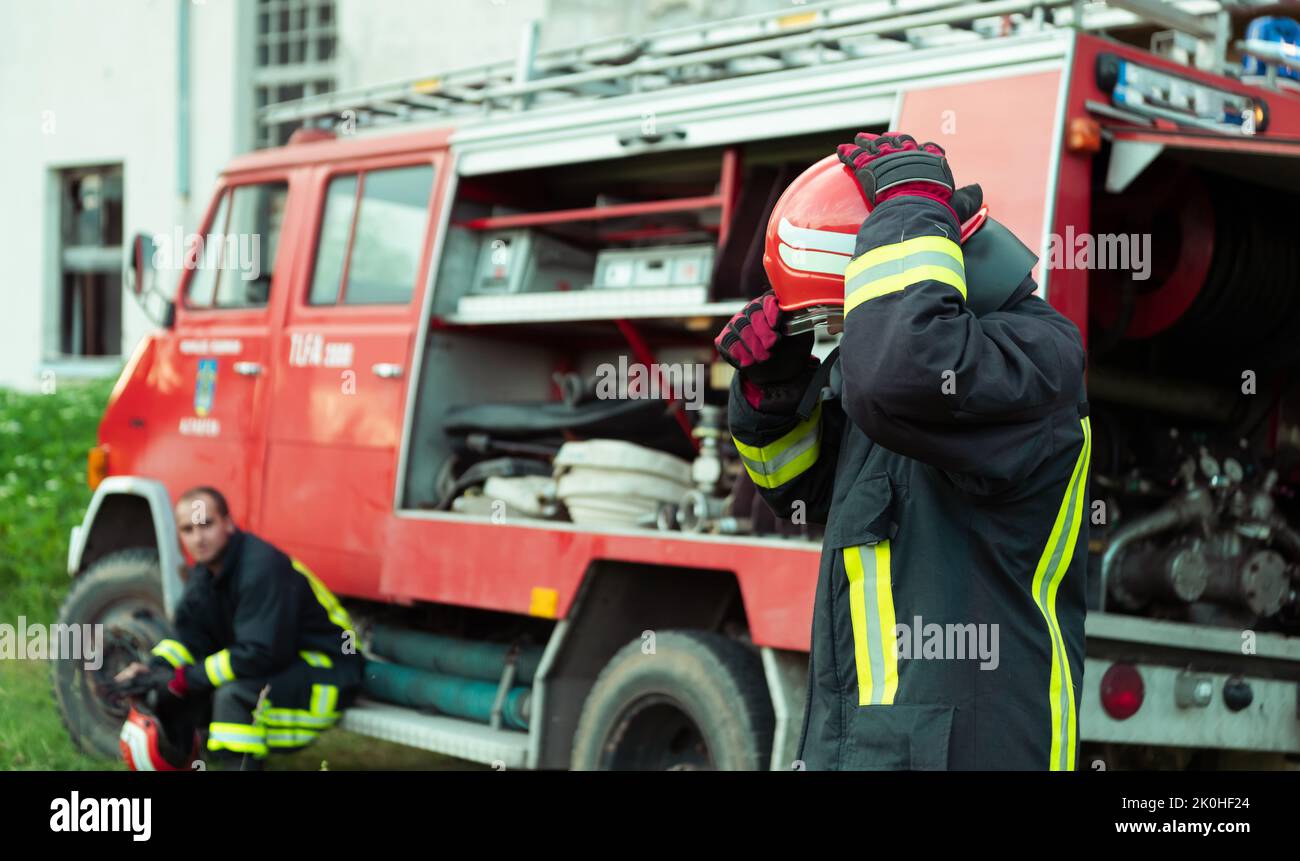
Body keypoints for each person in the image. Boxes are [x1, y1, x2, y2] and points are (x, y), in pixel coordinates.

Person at [716, 133, 1090, 770]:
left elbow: (905, 370)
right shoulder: (895, 392)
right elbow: (797, 492)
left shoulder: (1032, 356)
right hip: (869, 742)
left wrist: (910, 205)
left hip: (974, 747)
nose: (840, 337)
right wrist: (776, 389)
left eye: (838, 317)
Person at [115, 486, 364, 770]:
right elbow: (188, 640)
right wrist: (154, 669)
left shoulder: (261, 568)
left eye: (206, 524)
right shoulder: (205, 575)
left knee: (232, 695)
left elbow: (258, 654)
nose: (198, 539)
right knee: (176, 687)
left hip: (329, 669)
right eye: (188, 530)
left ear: (228, 523)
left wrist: (183, 679)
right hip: (283, 662)